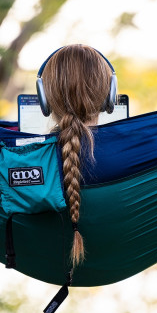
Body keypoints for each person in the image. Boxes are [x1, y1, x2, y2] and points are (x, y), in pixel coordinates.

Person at [37, 44, 117, 266]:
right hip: (118, 264)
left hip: (42, 264)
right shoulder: (143, 151)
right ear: (110, 96)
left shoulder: (15, 162)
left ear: (44, 99)